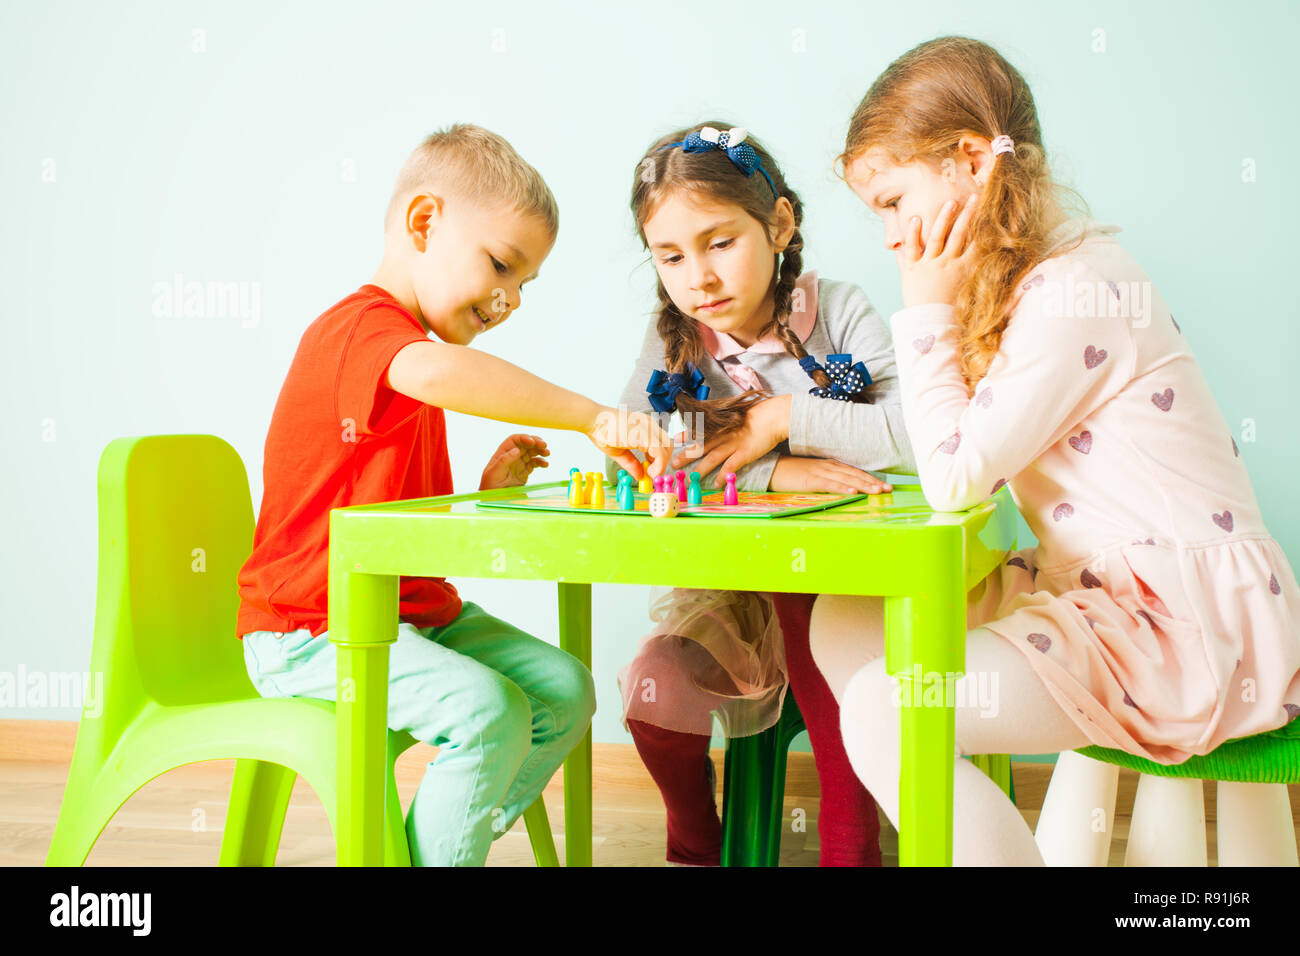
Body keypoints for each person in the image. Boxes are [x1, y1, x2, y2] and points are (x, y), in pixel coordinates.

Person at [811, 36, 1300, 865]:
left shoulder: (1074, 286)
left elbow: (957, 476)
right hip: (1105, 591)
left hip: (1177, 624)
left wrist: (923, 312)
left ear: (970, 160)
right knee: (845, 621)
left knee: (886, 709)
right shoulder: (1033, 283)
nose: (890, 237)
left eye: (893, 202)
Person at [235, 123, 672, 866]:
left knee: (567, 691)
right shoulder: (364, 336)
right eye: (501, 265)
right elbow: (440, 375)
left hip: (405, 614)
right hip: (309, 631)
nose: (510, 300)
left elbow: (402, 524)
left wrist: (485, 493)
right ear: (425, 223)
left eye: (526, 285)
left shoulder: (409, 358)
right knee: (490, 712)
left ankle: (434, 845)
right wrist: (592, 415)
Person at [611, 121, 916, 865]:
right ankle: (694, 836)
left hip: (844, 594)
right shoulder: (673, 342)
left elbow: (914, 433)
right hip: (732, 596)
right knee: (653, 683)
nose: (699, 279)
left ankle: (851, 844)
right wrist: (775, 471)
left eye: (720, 243)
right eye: (671, 256)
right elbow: (637, 460)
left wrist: (782, 418)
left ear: (779, 223)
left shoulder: (837, 310)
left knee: (819, 640)